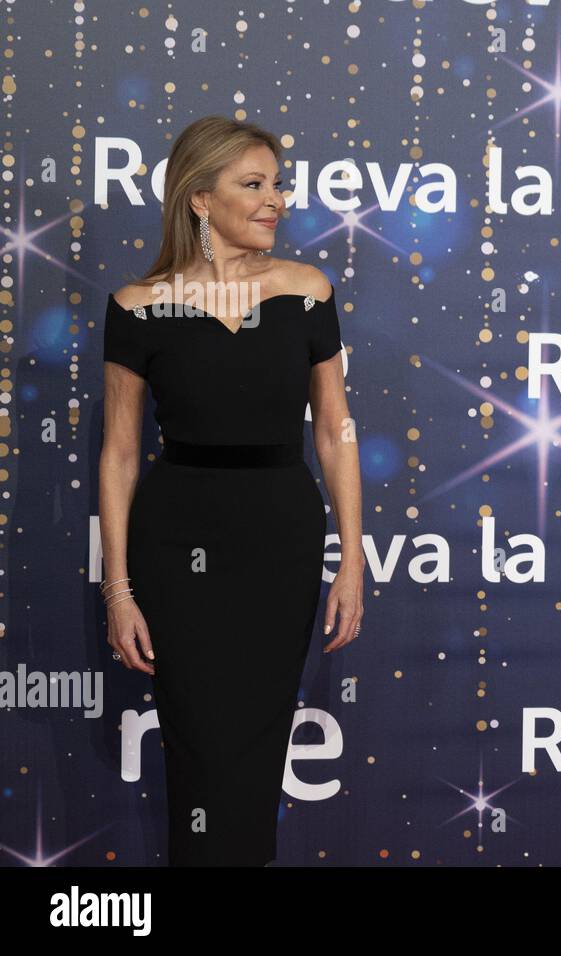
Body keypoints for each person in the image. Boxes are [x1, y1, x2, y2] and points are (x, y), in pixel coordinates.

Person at [98, 116, 365, 866]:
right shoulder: (137, 306)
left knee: (256, 736)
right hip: (177, 540)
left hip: (279, 536)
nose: (275, 199)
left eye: (277, 183)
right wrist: (119, 591)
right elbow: (119, 455)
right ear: (199, 200)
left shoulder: (308, 292)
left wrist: (351, 558)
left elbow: (336, 431)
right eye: (253, 185)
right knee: (198, 741)